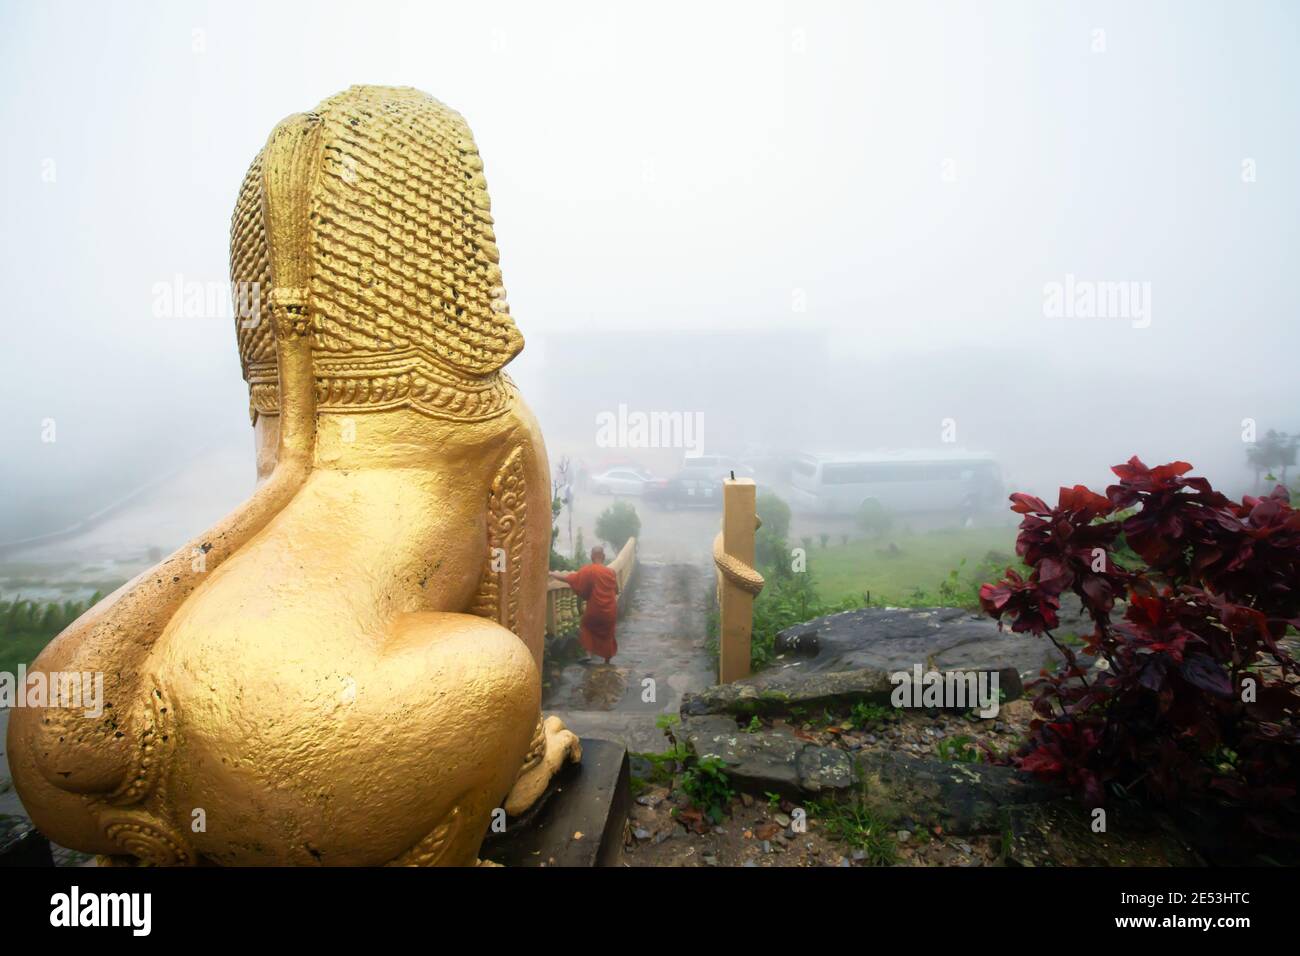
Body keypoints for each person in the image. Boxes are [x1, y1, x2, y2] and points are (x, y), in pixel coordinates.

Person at [550, 546, 620, 663]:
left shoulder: (589, 570)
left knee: (587, 626)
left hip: (595, 608)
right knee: (608, 632)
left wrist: (553, 574)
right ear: (603, 557)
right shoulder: (611, 572)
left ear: (592, 557)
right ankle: (607, 659)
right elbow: (616, 590)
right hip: (610, 609)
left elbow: (571, 579)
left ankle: (588, 654)